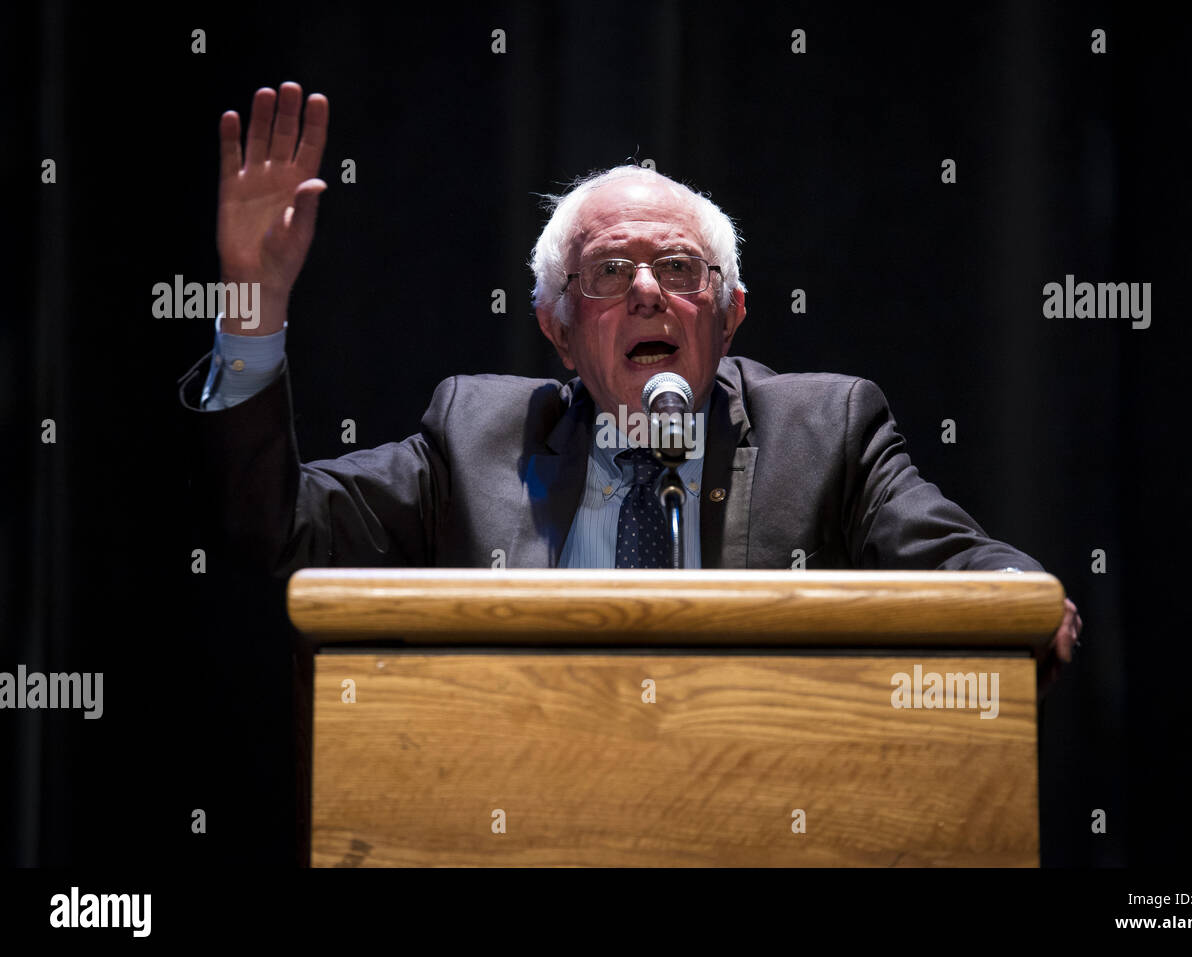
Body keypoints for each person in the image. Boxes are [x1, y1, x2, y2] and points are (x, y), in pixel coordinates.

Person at [178, 82, 1082, 679]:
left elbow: (968, 565)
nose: (649, 290)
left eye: (682, 270)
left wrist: (1025, 597)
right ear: (558, 332)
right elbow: (276, 530)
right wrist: (253, 310)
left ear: (728, 316)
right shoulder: (473, 436)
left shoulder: (827, 431)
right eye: (609, 274)